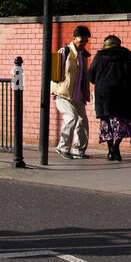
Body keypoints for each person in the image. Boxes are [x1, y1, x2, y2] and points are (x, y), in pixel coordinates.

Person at [87, 34, 131, 162]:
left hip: (103, 95)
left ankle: (110, 149)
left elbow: (91, 76)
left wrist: (100, 81)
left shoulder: (100, 56)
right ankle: (116, 147)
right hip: (122, 95)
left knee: (107, 123)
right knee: (121, 123)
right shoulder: (127, 56)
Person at [51, 25, 91, 160]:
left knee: (82, 120)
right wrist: (58, 88)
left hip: (78, 95)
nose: (83, 44)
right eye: (81, 41)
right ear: (74, 38)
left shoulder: (83, 55)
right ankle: (62, 147)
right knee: (72, 117)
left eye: (86, 41)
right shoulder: (65, 51)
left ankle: (79, 150)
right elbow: (54, 72)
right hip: (63, 93)